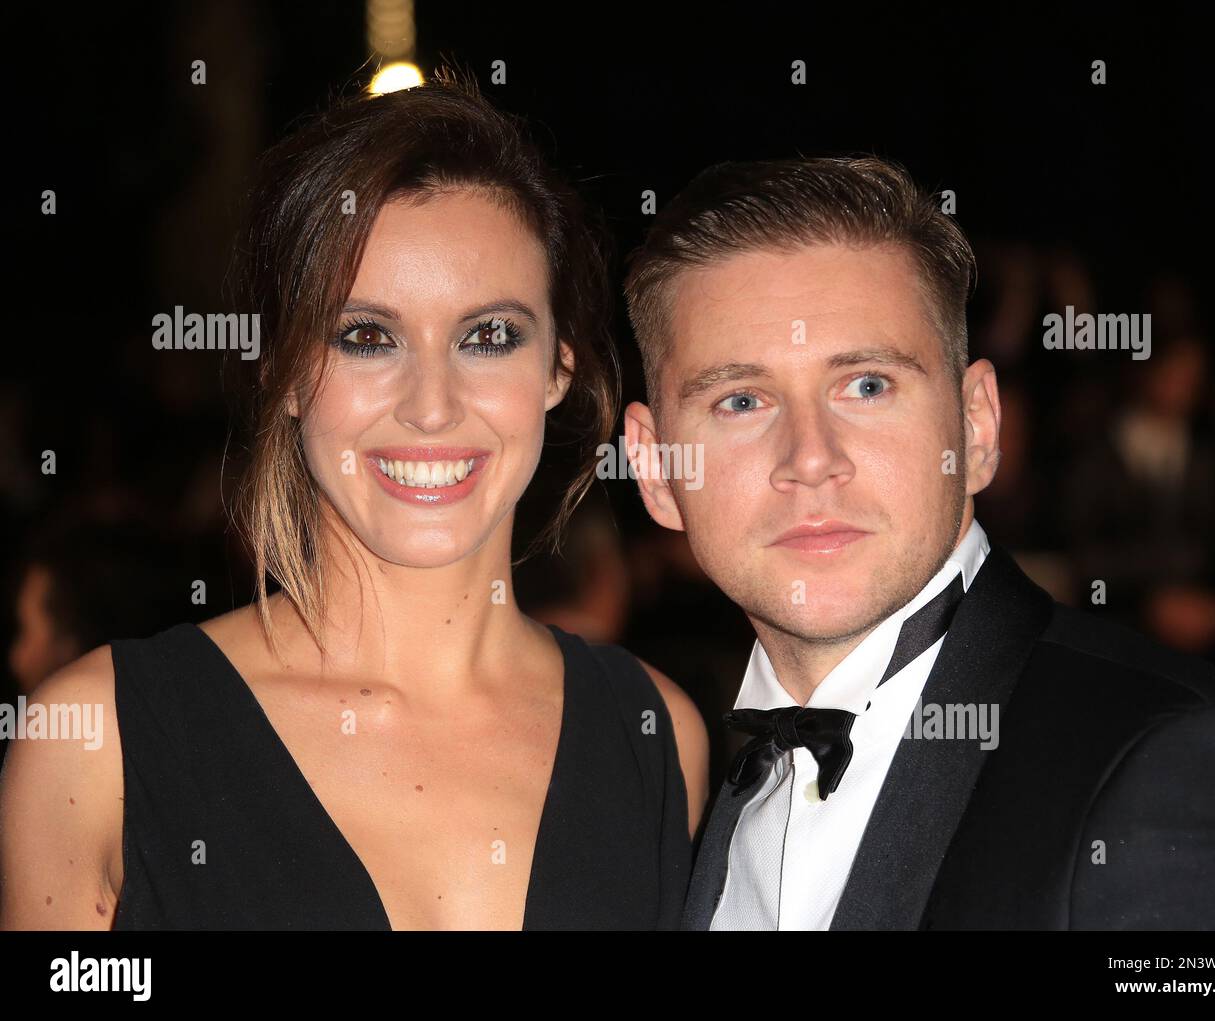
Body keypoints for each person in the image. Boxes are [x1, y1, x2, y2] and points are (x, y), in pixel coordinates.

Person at [0, 74, 708, 931]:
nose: (432, 406)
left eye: (489, 336)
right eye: (366, 337)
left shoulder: (655, 736)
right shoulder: (97, 742)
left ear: (559, 368)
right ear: (286, 372)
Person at [620, 156, 1215, 929]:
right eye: (741, 400)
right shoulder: (667, 813)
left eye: (867, 385)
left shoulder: (1181, 769)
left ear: (976, 426)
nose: (810, 457)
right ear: (655, 468)